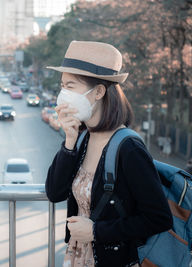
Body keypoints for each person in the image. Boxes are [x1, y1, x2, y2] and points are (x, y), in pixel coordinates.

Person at [45, 41, 172, 267]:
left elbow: (159, 218)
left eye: (71, 86)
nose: (63, 94)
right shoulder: (83, 138)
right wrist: (70, 141)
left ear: (99, 92)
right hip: (77, 258)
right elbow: (54, 192)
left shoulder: (128, 148)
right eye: (62, 86)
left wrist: (96, 231)